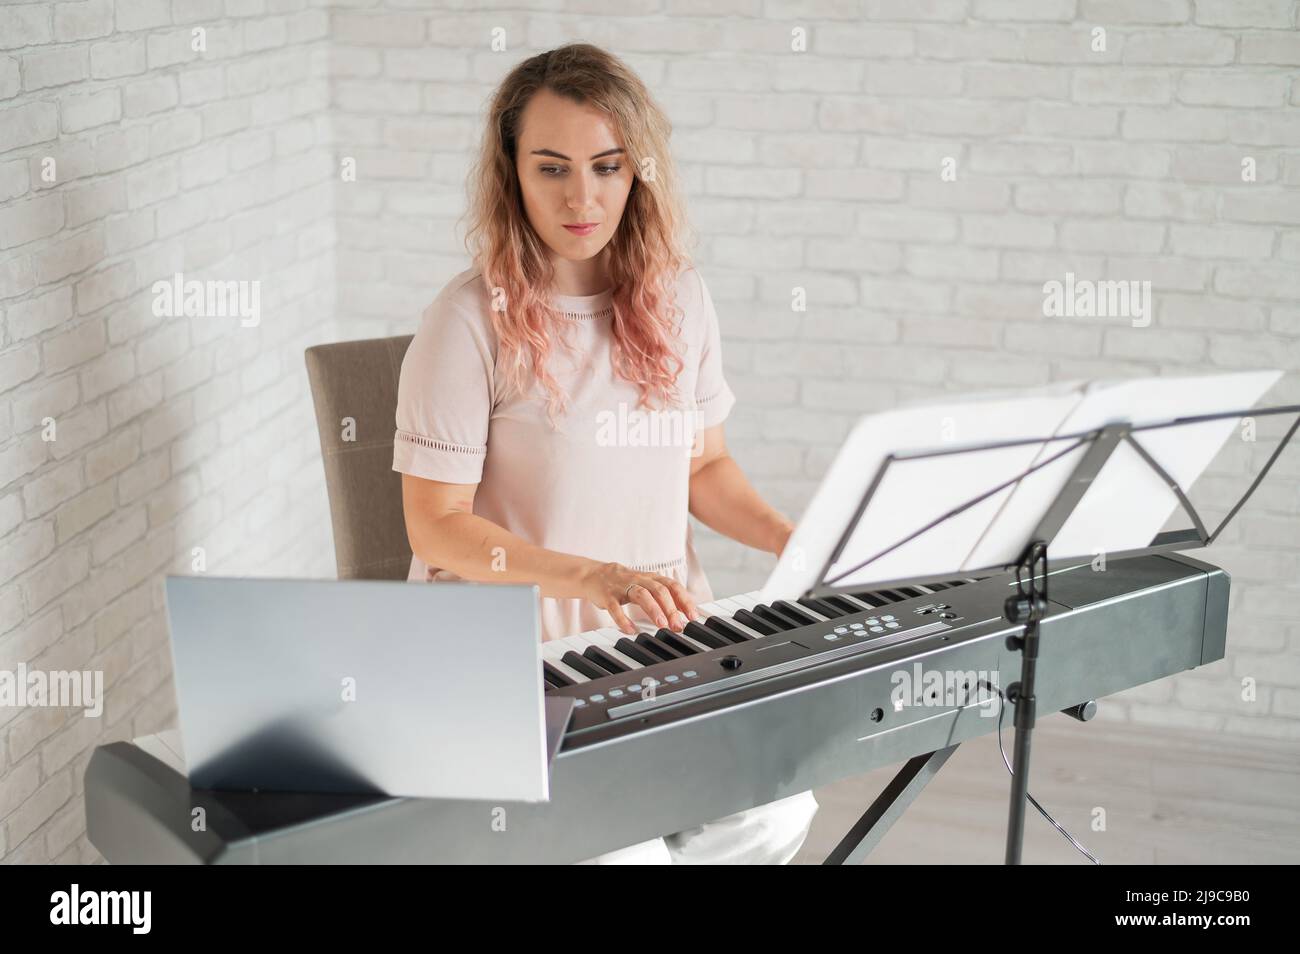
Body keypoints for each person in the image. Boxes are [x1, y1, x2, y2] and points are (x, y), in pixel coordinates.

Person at [392, 42, 818, 864]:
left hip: (658, 639)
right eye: (551, 168)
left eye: (607, 166)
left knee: (774, 811)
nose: (581, 196)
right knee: (625, 856)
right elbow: (435, 528)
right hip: (512, 653)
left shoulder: (681, 299)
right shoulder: (466, 321)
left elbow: (702, 467)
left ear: (638, 172)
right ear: (511, 174)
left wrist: (791, 538)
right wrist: (592, 576)